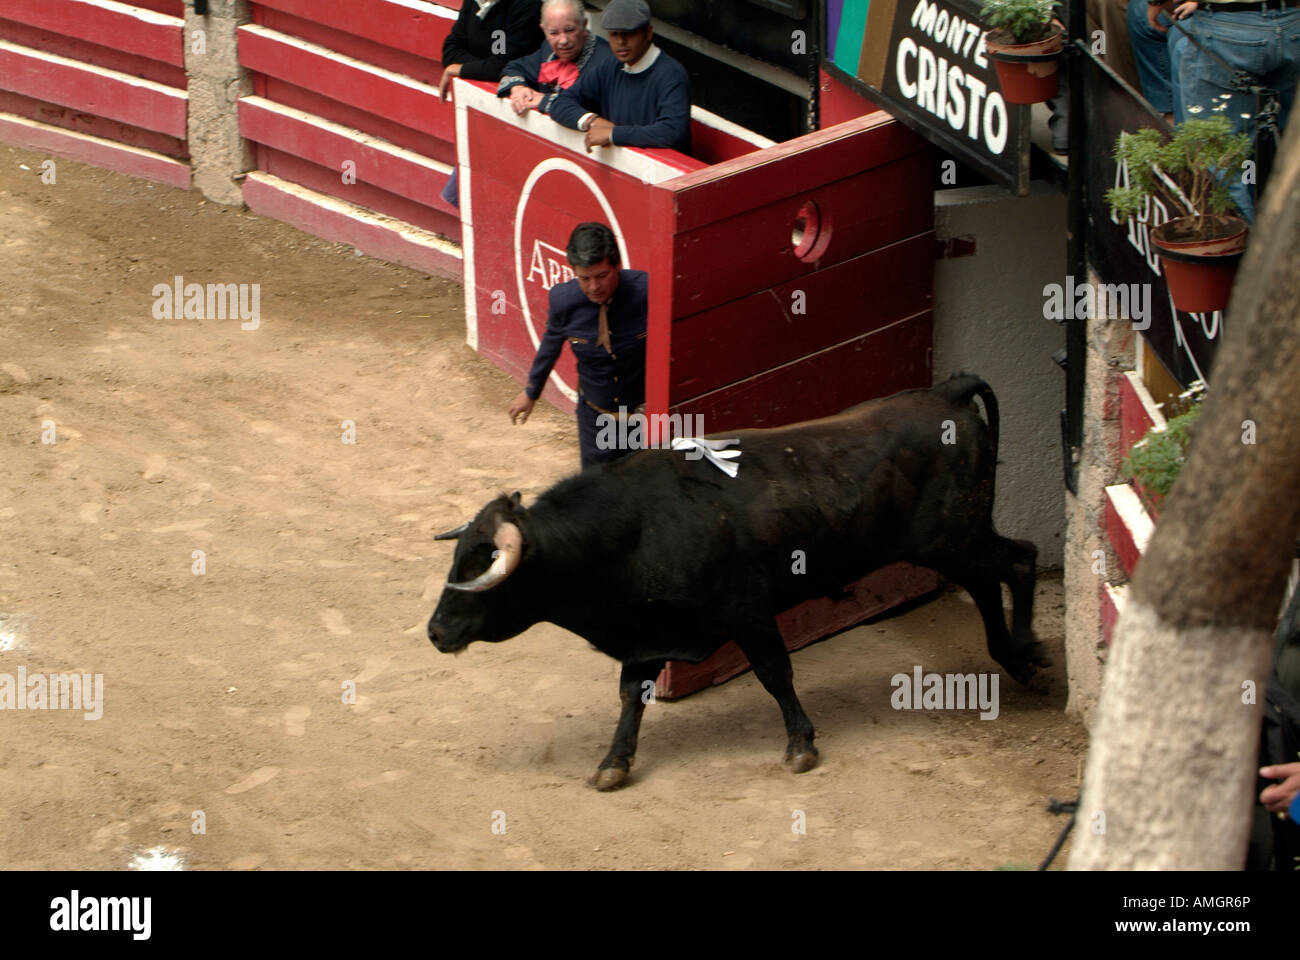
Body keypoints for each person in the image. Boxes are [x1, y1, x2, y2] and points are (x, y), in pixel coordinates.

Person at [508, 222, 647, 470]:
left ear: (617, 266)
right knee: (595, 491)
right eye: (584, 278)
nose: (594, 287)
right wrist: (531, 392)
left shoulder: (646, 291)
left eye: (602, 276)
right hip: (595, 418)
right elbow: (550, 347)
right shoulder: (563, 300)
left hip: (644, 417)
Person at [1151, 0, 1300, 221]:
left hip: (1227, 28)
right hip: (1292, 23)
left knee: (1221, 159)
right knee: (1291, 144)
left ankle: (1241, 249)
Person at [548, 0, 691, 155]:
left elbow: (672, 133)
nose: (621, 42)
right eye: (614, 34)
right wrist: (592, 121)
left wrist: (613, 134)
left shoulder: (671, 74)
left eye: (629, 34)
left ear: (648, 33)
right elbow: (560, 103)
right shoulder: (610, 66)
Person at [438, 0, 545, 207]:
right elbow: (451, 49)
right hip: (488, 110)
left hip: (518, 114)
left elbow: (502, 65)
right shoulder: (476, 1)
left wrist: (460, 69)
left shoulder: (524, 6)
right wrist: (484, 66)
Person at [497, 0, 614, 117]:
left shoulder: (609, 60)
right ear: (544, 31)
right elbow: (514, 68)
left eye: (570, 30)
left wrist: (546, 100)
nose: (563, 40)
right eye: (553, 33)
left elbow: (597, 107)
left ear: (584, 25)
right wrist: (518, 88)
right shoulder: (548, 49)